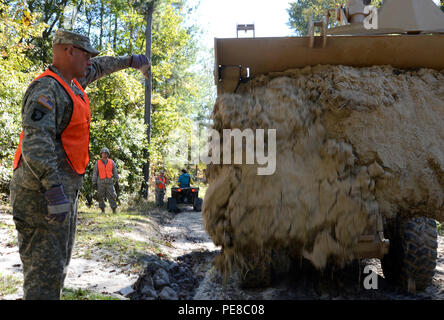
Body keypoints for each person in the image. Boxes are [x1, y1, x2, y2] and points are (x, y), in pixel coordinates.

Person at [9, 29, 150, 300]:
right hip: (41, 198)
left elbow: (100, 66)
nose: (90, 61)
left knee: (56, 269)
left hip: (59, 195)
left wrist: (131, 60)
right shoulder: (47, 89)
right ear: (68, 51)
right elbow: (36, 144)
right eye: (86, 54)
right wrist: (53, 188)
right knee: (43, 277)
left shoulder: (72, 82)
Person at [92, 147, 119, 213]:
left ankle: (114, 209)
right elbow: (95, 173)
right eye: (103, 153)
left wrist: (117, 180)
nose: (104, 155)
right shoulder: (97, 163)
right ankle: (102, 210)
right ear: (101, 154)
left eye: (106, 153)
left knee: (112, 196)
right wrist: (94, 182)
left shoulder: (111, 162)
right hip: (100, 182)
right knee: (100, 196)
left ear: (108, 154)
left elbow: (115, 172)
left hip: (110, 182)